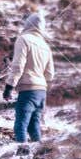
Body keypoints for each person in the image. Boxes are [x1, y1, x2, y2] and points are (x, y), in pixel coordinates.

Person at [3, 10, 54, 144]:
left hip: (28, 90)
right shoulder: (46, 46)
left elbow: (18, 66)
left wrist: (9, 87)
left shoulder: (24, 39)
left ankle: (21, 154)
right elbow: (50, 74)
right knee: (34, 126)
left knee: (21, 125)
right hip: (41, 91)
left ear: (28, 23)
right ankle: (37, 157)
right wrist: (42, 85)